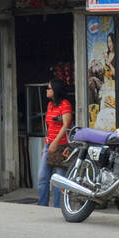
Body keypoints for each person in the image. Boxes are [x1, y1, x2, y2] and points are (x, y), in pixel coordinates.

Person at [36, 76, 74, 209]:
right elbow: (48, 125)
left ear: (56, 90)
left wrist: (55, 142)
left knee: (59, 178)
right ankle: (42, 204)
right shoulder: (50, 104)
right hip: (49, 144)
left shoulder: (65, 104)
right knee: (42, 177)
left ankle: (58, 206)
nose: (47, 90)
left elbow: (66, 124)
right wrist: (46, 143)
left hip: (61, 145)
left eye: (49, 88)